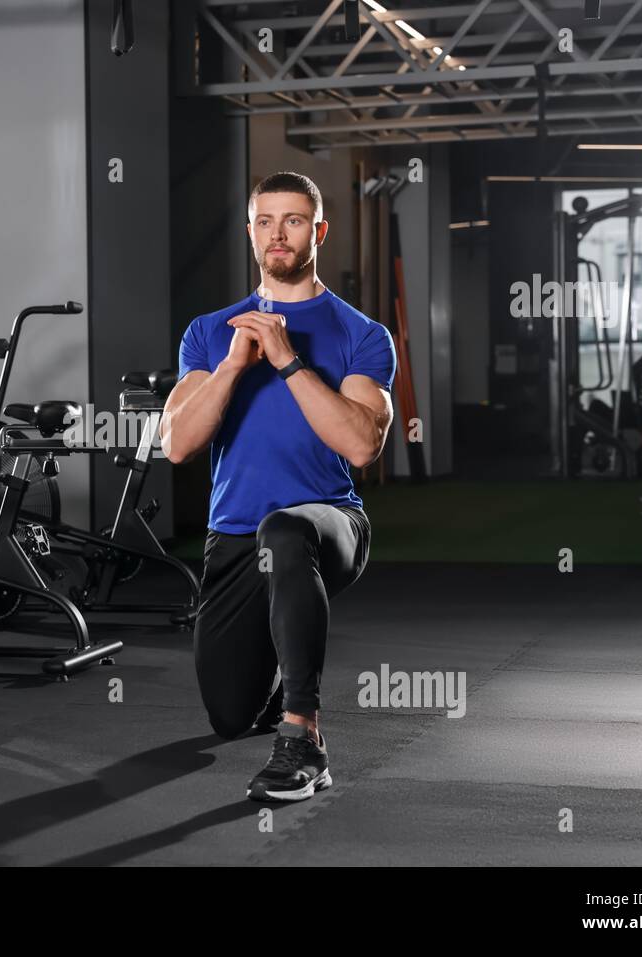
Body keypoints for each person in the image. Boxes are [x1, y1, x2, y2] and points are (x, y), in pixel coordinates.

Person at [160, 171, 397, 802]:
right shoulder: (210, 333)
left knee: (286, 529)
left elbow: (360, 443)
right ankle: (269, 680)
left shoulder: (361, 334)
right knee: (228, 717)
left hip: (328, 526)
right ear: (250, 231)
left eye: (293, 221)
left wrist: (288, 361)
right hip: (234, 535)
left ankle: (302, 737)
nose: (277, 234)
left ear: (318, 231)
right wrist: (236, 364)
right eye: (264, 221)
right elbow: (178, 444)